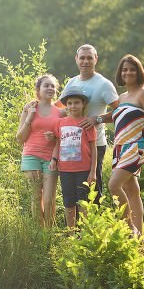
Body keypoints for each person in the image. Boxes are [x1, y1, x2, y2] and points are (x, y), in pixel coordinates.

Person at [107, 54, 144, 237]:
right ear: (120, 73)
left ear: (138, 72)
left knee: (114, 185)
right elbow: (117, 117)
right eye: (124, 69)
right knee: (132, 190)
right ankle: (139, 236)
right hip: (120, 147)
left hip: (135, 147)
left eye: (132, 69)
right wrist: (95, 119)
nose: (128, 72)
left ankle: (131, 230)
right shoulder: (122, 97)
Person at [63, 44, 120, 202]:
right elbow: (60, 108)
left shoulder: (104, 84)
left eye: (89, 58)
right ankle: (75, 227)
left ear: (96, 59)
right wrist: (37, 105)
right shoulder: (72, 83)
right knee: (75, 191)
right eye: (82, 58)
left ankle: (95, 225)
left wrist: (98, 118)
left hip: (94, 144)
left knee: (92, 187)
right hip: (72, 145)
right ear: (76, 59)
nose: (85, 61)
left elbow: (121, 111)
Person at [16, 74, 62, 227]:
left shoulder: (61, 113)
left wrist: (55, 136)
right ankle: (39, 233)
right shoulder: (29, 108)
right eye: (46, 85)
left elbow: (63, 138)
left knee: (49, 199)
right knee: (36, 198)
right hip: (31, 157)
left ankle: (49, 232)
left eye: (52, 86)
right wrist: (29, 117)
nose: (50, 88)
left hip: (51, 158)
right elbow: (19, 139)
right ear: (38, 90)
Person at [49, 87, 97, 230]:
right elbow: (58, 143)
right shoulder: (60, 123)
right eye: (69, 103)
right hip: (65, 170)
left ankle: (84, 234)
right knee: (68, 203)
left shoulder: (87, 123)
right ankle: (71, 234)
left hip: (83, 169)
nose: (73, 106)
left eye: (76, 103)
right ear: (66, 105)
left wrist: (93, 171)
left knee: (83, 203)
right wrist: (54, 159)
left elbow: (94, 149)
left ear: (83, 104)